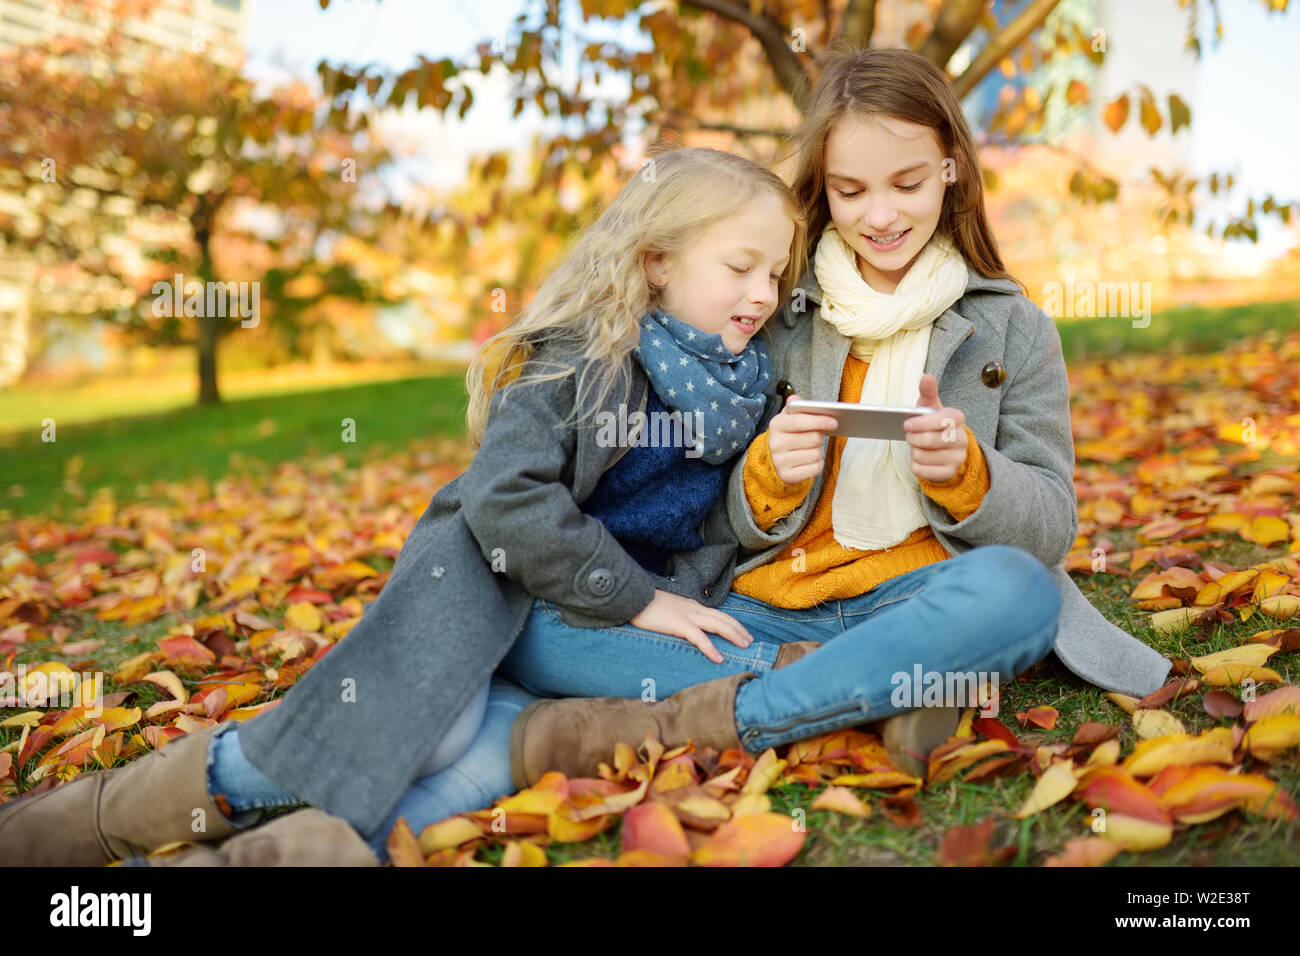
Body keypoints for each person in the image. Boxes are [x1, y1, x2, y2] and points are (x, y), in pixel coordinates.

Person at [0, 146, 809, 866]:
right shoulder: (579, 360)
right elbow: (506, 497)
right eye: (741, 267)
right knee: (416, 731)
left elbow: (697, 522)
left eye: (775, 274)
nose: (763, 293)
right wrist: (638, 598)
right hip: (507, 597)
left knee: (473, 764)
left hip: (608, 619)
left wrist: (770, 481)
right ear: (657, 261)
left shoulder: (740, 385)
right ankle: (85, 820)